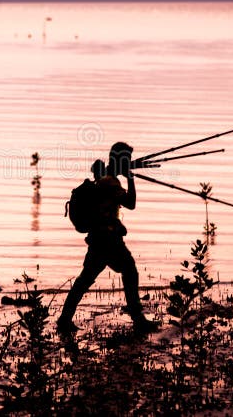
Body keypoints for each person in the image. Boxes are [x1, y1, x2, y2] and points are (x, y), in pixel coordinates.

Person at [58, 142, 159, 333]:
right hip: (107, 240)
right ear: (120, 161)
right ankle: (138, 320)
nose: (129, 163)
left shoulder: (105, 178)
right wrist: (130, 179)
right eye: (126, 160)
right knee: (129, 270)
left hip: (99, 239)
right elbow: (130, 203)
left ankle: (64, 320)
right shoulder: (110, 182)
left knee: (85, 279)